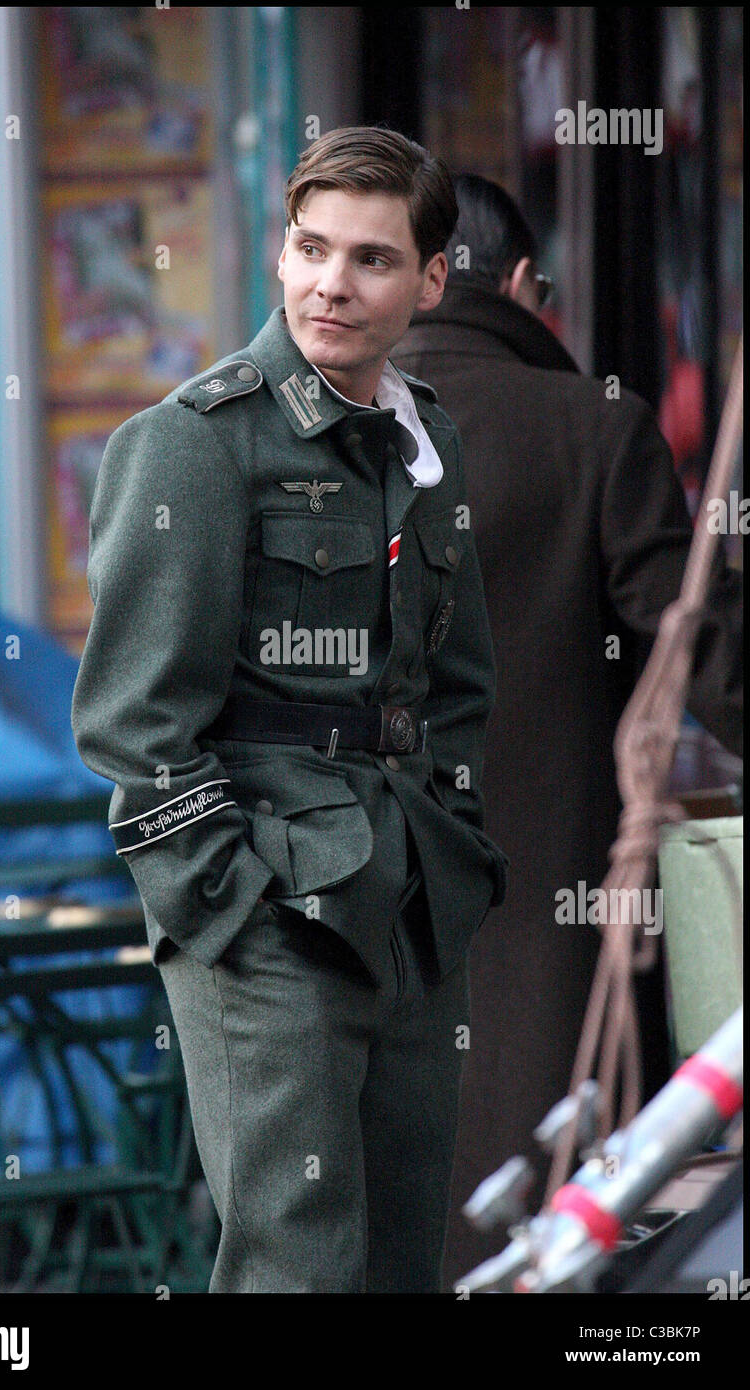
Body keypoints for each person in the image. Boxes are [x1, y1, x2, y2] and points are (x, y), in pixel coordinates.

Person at [71, 128, 509, 1293]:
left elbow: (452, 684)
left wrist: (453, 852)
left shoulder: (428, 445)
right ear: (279, 255)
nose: (330, 282)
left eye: (370, 260)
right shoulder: (192, 445)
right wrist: (231, 906)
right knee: (297, 1264)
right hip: (266, 916)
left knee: (402, 1257)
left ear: (428, 282)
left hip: (409, 903)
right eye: (310, 248)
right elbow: (131, 723)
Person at [391, 172, 743, 1283]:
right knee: (562, 1244)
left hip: (342, 951)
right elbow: (703, 653)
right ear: (526, 287)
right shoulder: (587, 427)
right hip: (550, 957)